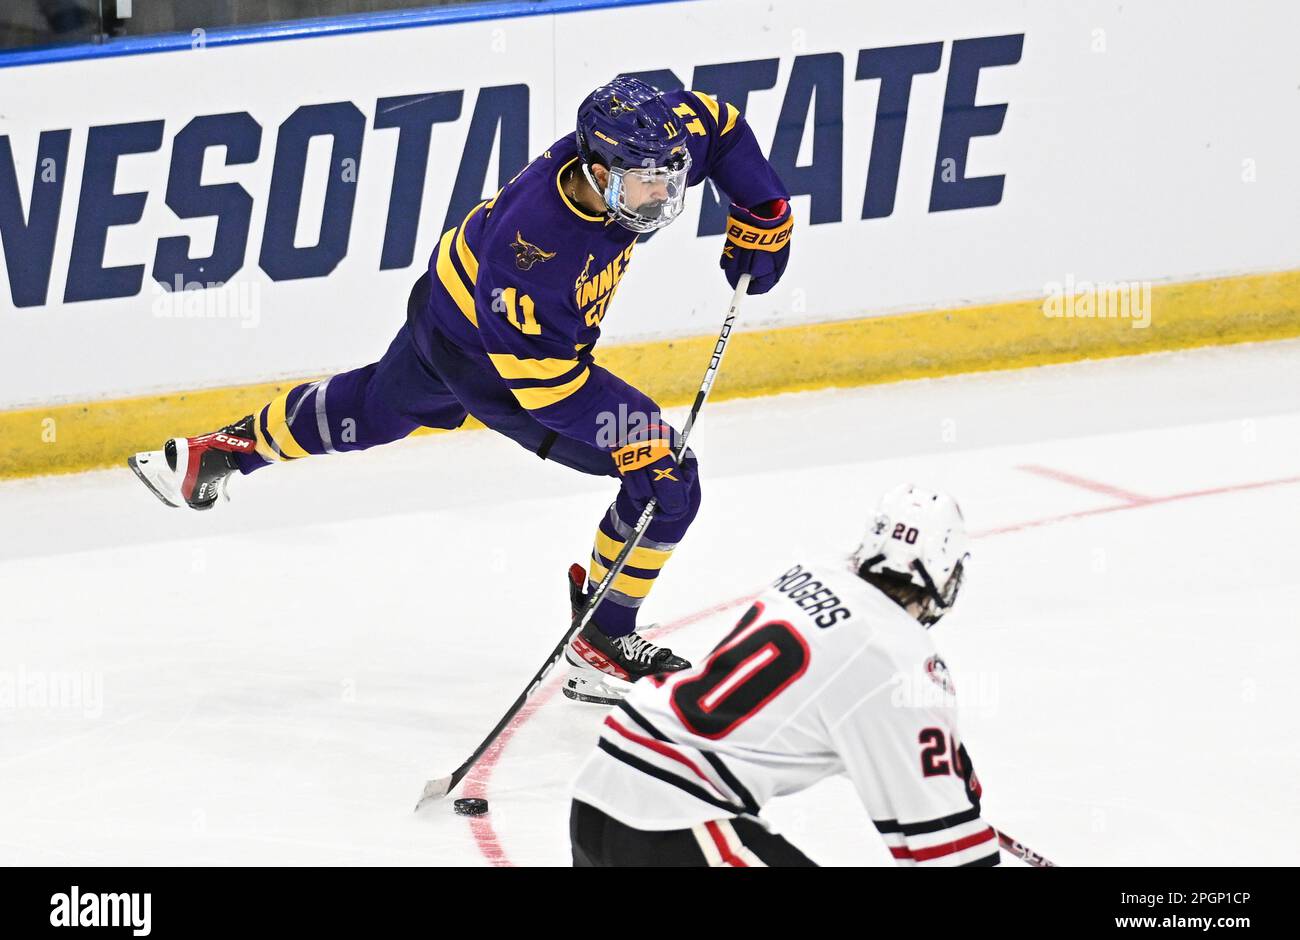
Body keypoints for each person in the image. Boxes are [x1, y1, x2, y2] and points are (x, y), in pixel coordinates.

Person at [128, 76, 793, 704]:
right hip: (497, 361)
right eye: (646, 181)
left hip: (444, 308)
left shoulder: (644, 142)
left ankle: (217, 452)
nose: (662, 194)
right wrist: (643, 435)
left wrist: (763, 208)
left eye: (668, 176)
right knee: (665, 476)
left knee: (371, 411)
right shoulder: (535, 251)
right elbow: (550, 390)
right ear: (597, 172)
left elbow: (719, 126)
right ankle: (602, 638)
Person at [569, 484, 1000, 866]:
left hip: (599, 787)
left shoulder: (809, 577)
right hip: (672, 821)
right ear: (946, 571)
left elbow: (827, 701)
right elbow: (951, 853)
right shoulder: (901, 660)